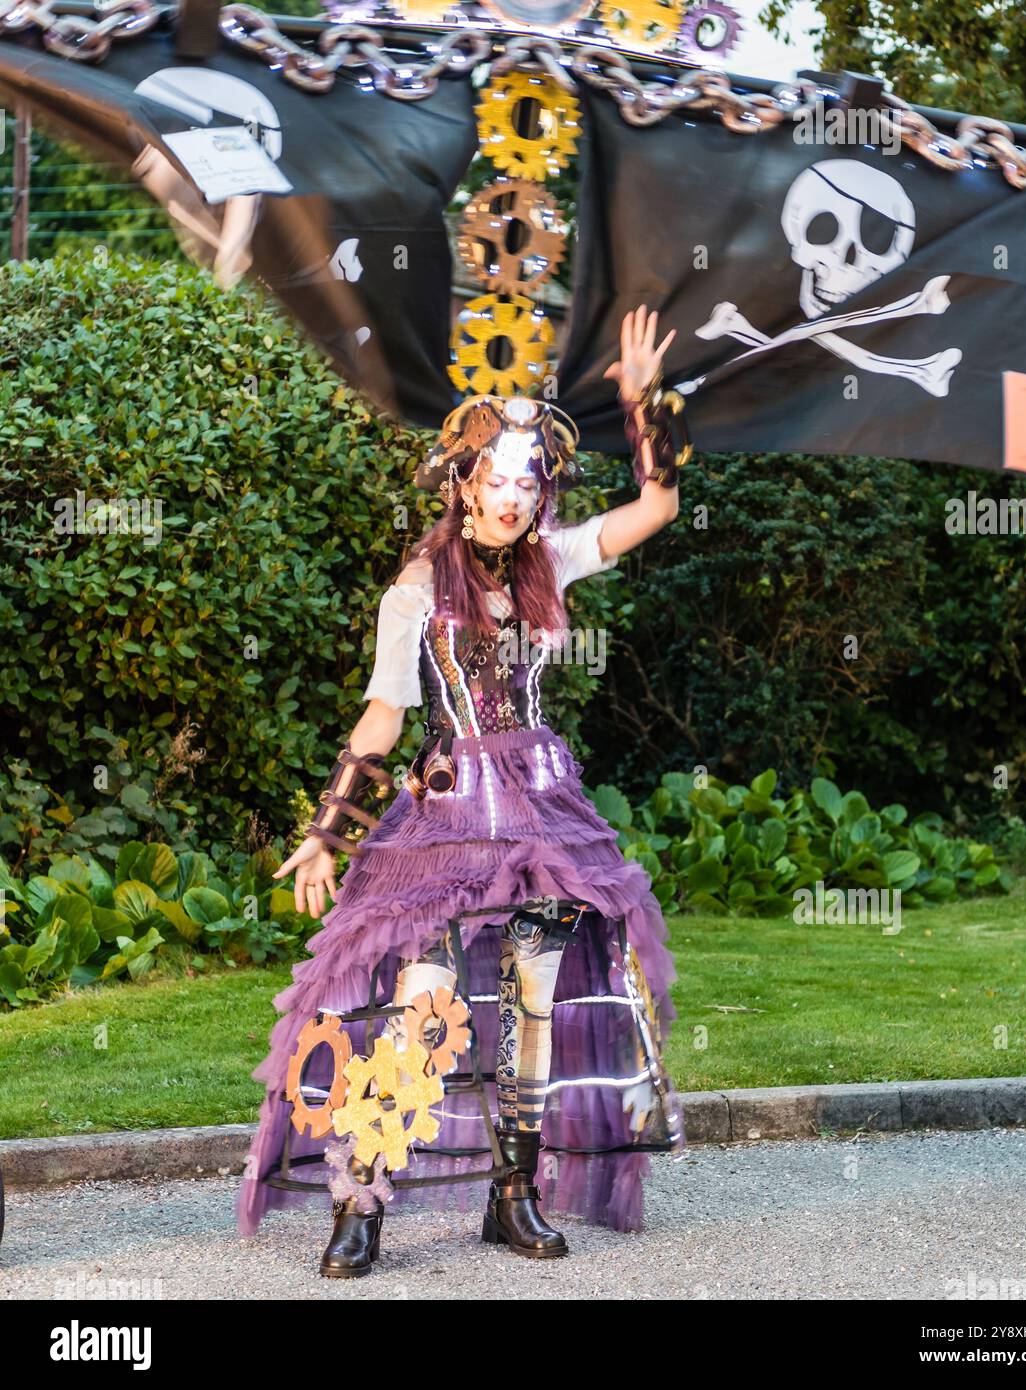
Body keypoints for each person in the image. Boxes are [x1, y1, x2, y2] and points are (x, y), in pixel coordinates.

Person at [235, 305, 692, 1276]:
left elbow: (656, 510)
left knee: (533, 1005)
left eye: (533, 481)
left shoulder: (551, 565)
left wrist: (641, 403)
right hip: (442, 816)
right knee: (425, 1004)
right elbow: (383, 719)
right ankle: (361, 1201)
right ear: (463, 481)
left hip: (539, 812)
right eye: (499, 478)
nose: (517, 498)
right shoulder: (415, 589)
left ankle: (512, 1197)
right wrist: (328, 830)